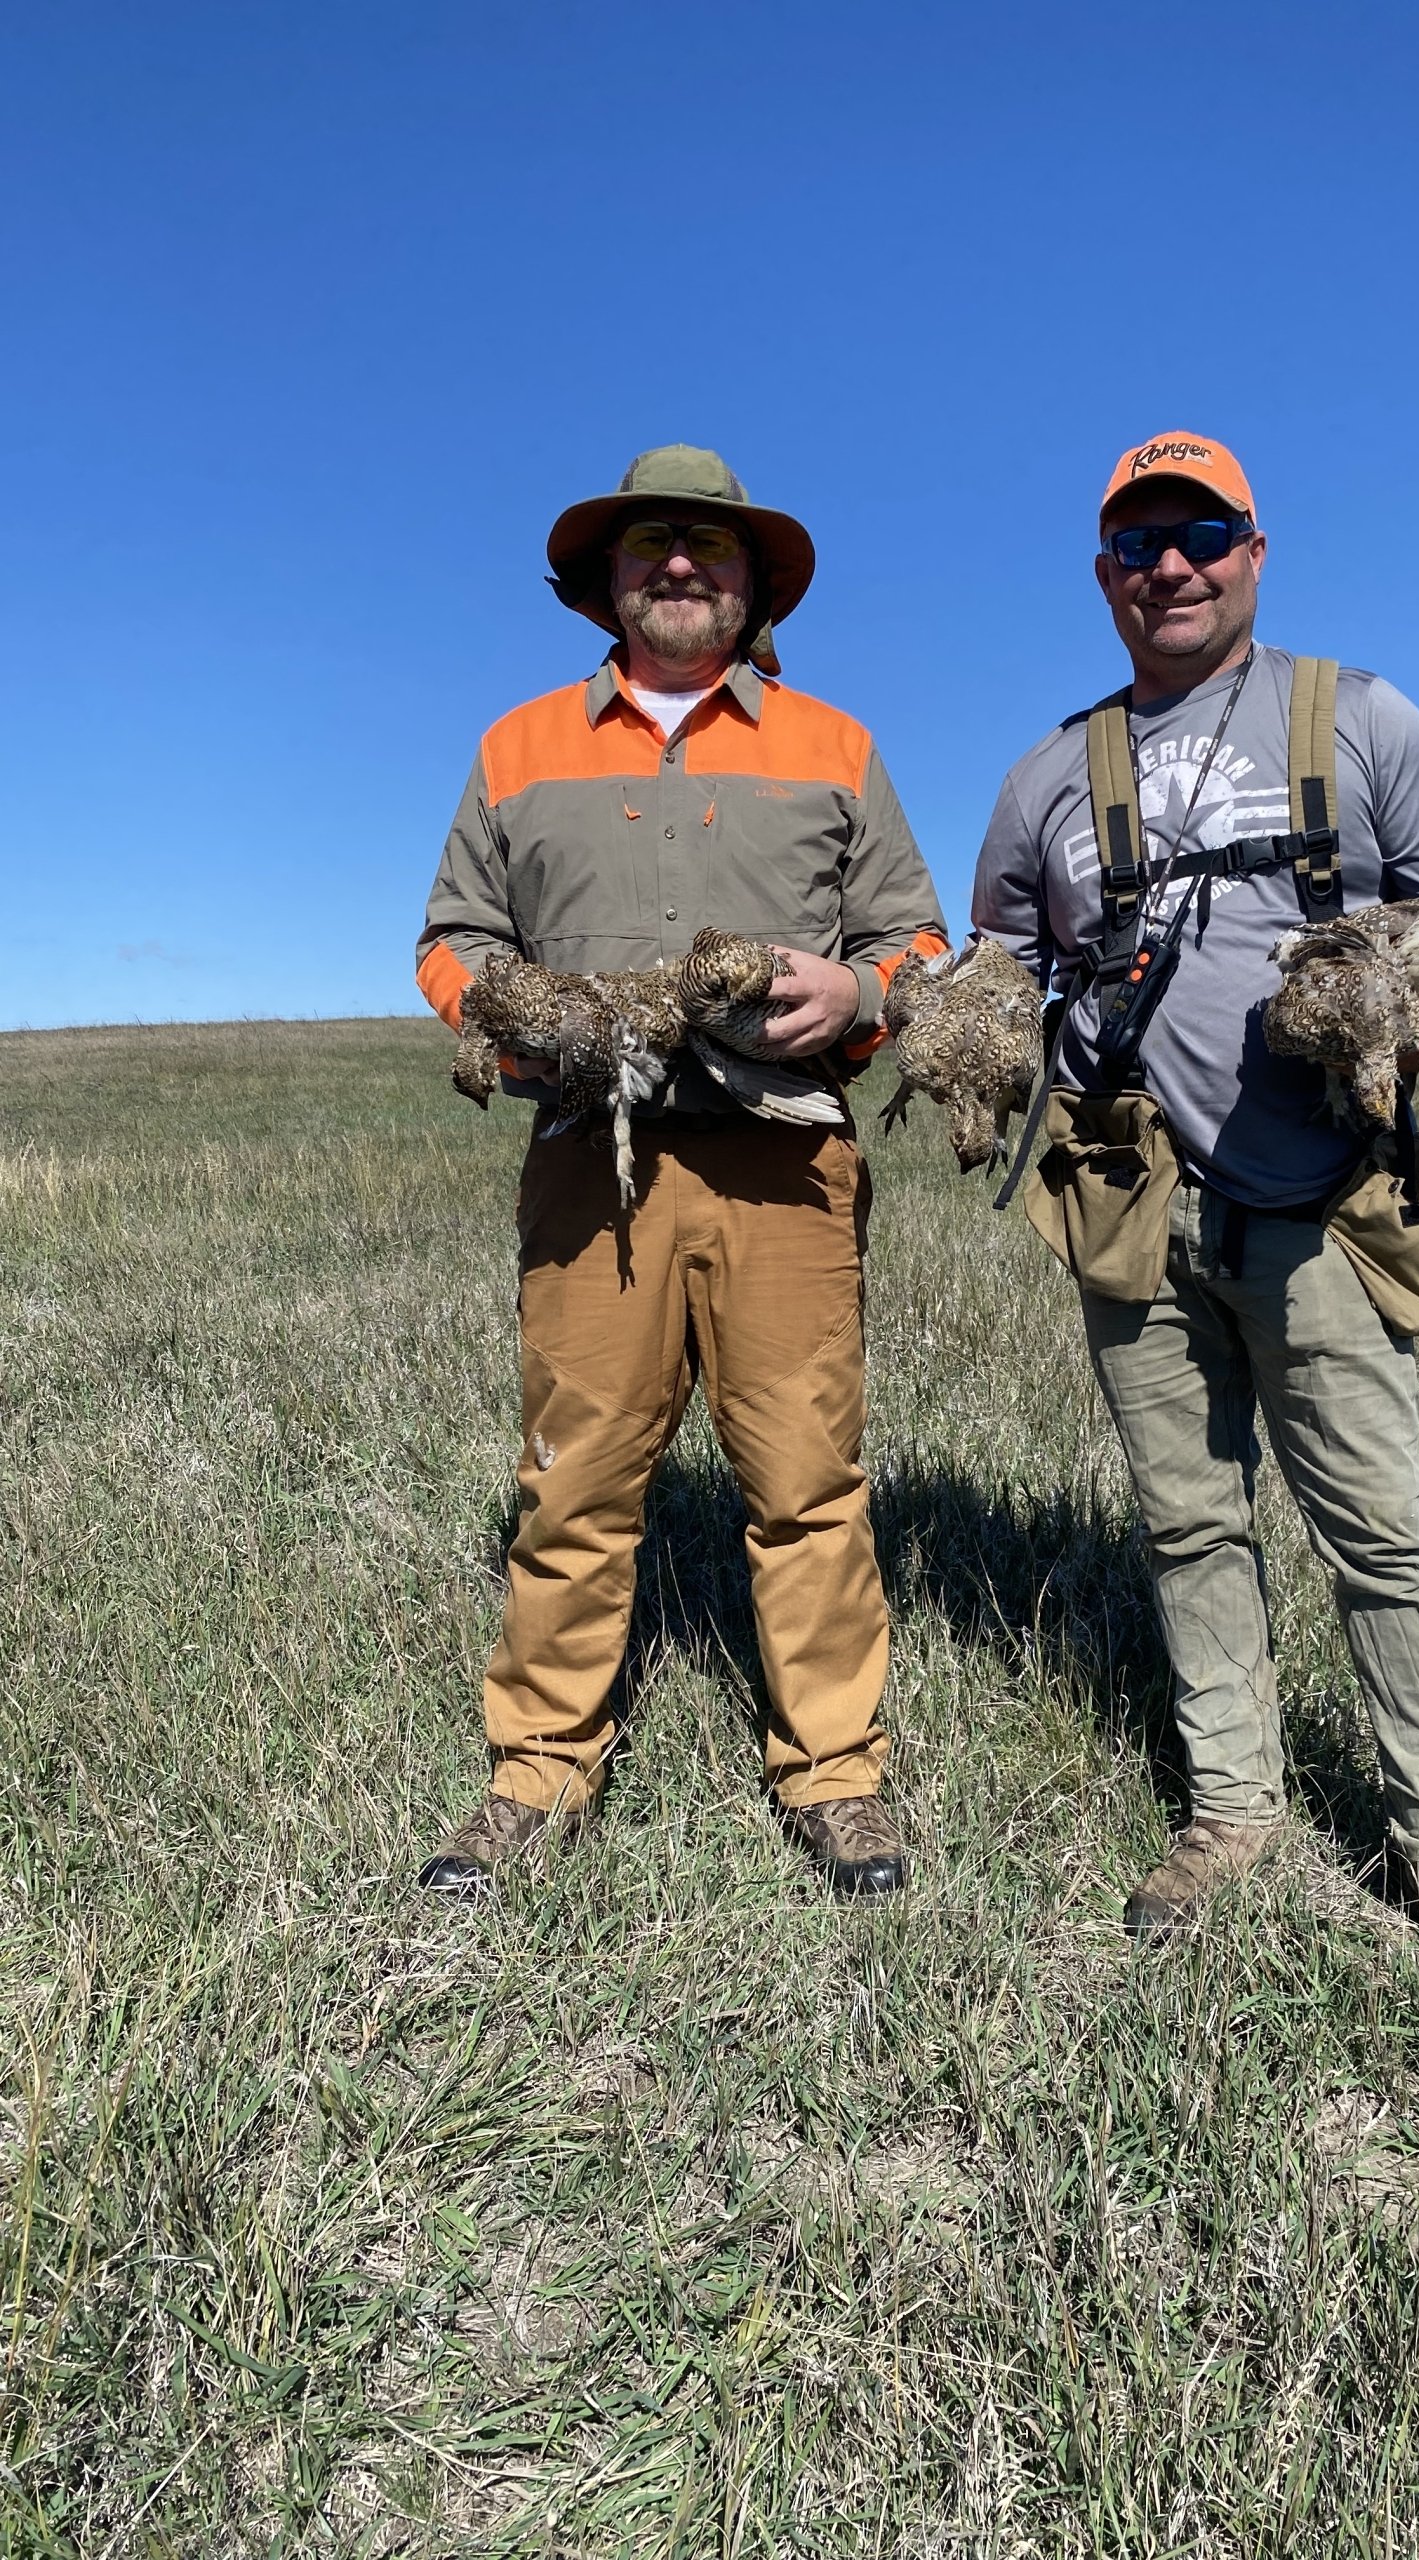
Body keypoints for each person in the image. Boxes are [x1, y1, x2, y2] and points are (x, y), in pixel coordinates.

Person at [971, 430, 1419, 1970]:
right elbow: (1000, 966)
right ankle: (1233, 1811)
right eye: (1140, 542)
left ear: (1255, 550)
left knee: (1383, 1531)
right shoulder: (1045, 777)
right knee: (1187, 1526)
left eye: (1201, 534)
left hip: (1320, 1192)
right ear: (1104, 575)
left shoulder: (1359, 720)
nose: (1172, 565)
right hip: (1129, 1199)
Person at [415, 445, 946, 1898]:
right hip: (594, 1167)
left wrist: (859, 1000)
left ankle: (837, 1780)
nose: (680, 567)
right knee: (575, 1479)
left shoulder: (831, 744)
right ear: (606, 577)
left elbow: (914, 939)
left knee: (806, 1484)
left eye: (711, 549)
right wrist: (514, 1028)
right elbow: (451, 943)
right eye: (653, 544)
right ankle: (537, 1778)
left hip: (787, 1167)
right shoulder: (520, 746)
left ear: (755, 581)